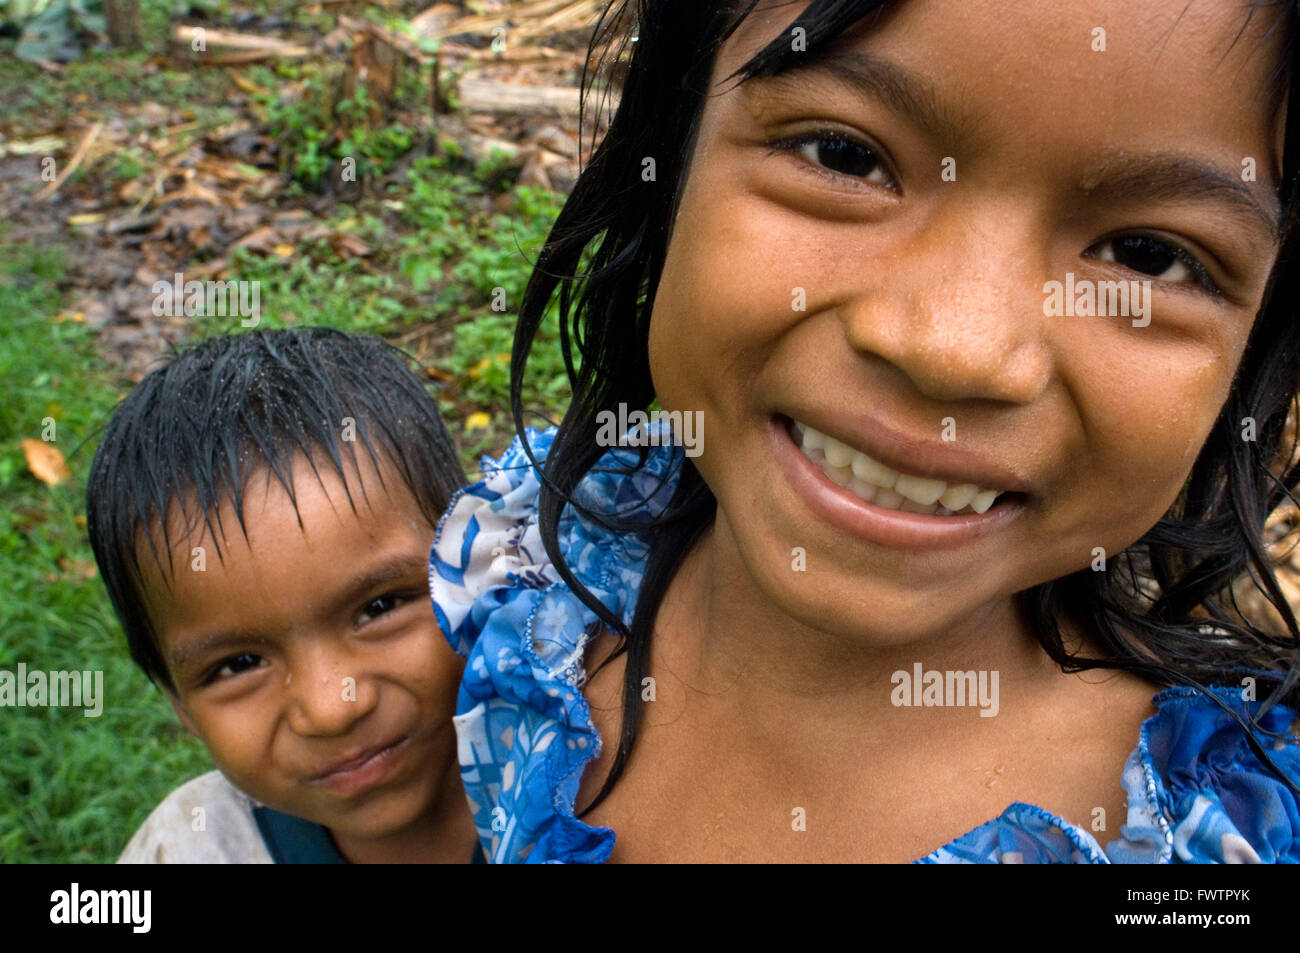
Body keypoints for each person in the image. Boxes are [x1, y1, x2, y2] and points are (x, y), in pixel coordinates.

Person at [430, 0, 1300, 862]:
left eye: (1148, 256)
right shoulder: (537, 576)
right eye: (844, 154)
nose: (956, 350)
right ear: (678, 136)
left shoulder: (1212, 852)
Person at [87, 328, 477, 863]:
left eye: (379, 608)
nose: (330, 709)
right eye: (239, 664)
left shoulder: (598, 782)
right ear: (178, 702)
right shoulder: (187, 850)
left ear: (478, 564)